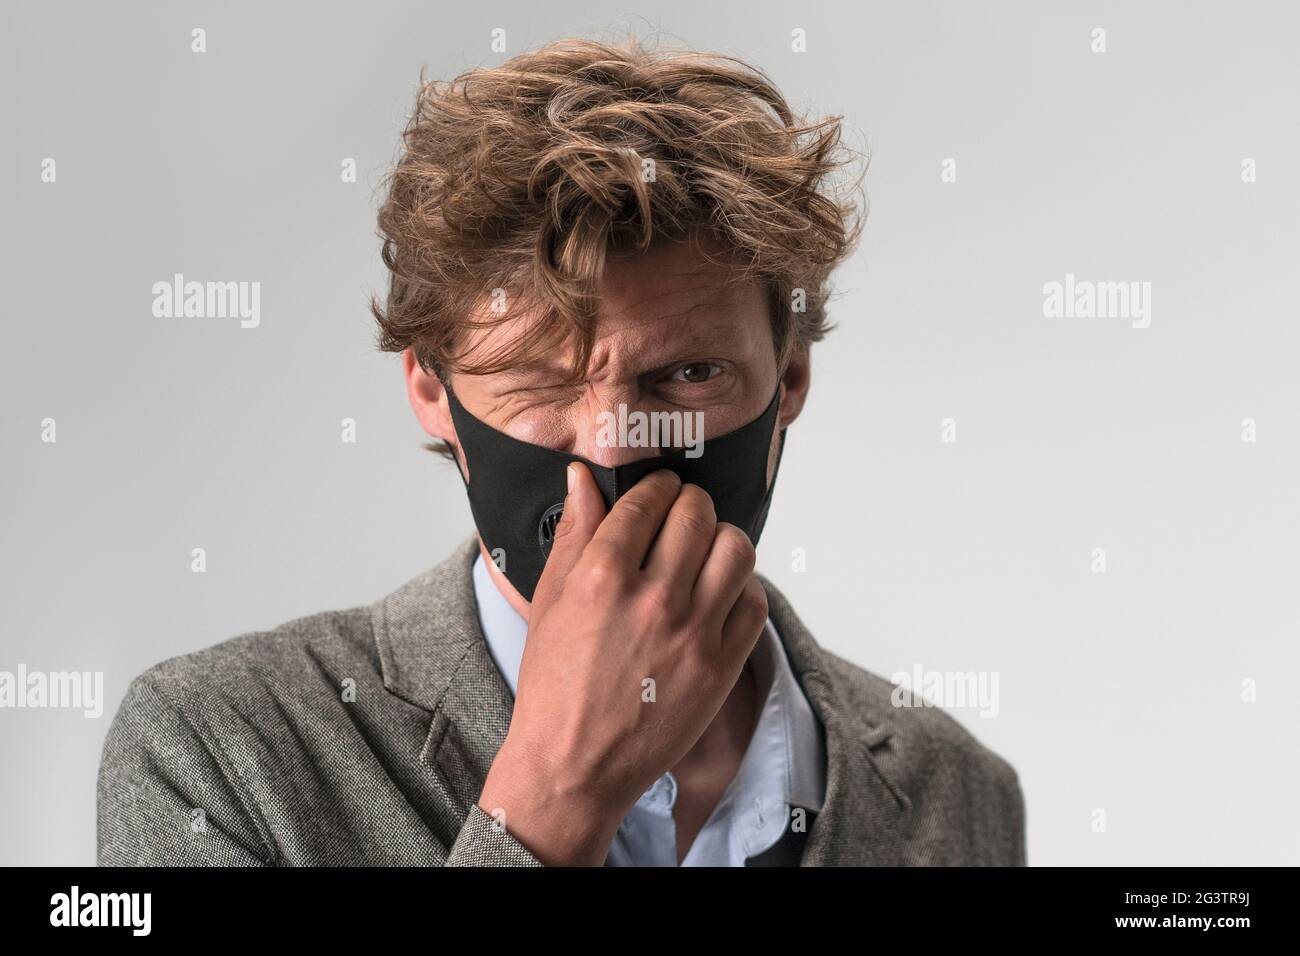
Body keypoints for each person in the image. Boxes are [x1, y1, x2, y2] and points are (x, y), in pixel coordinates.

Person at [97, 37, 1025, 867]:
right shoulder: (219, 751)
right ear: (432, 389)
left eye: (690, 374)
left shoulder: (957, 792)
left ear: (787, 382)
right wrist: (556, 796)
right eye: (541, 380)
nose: (616, 445)